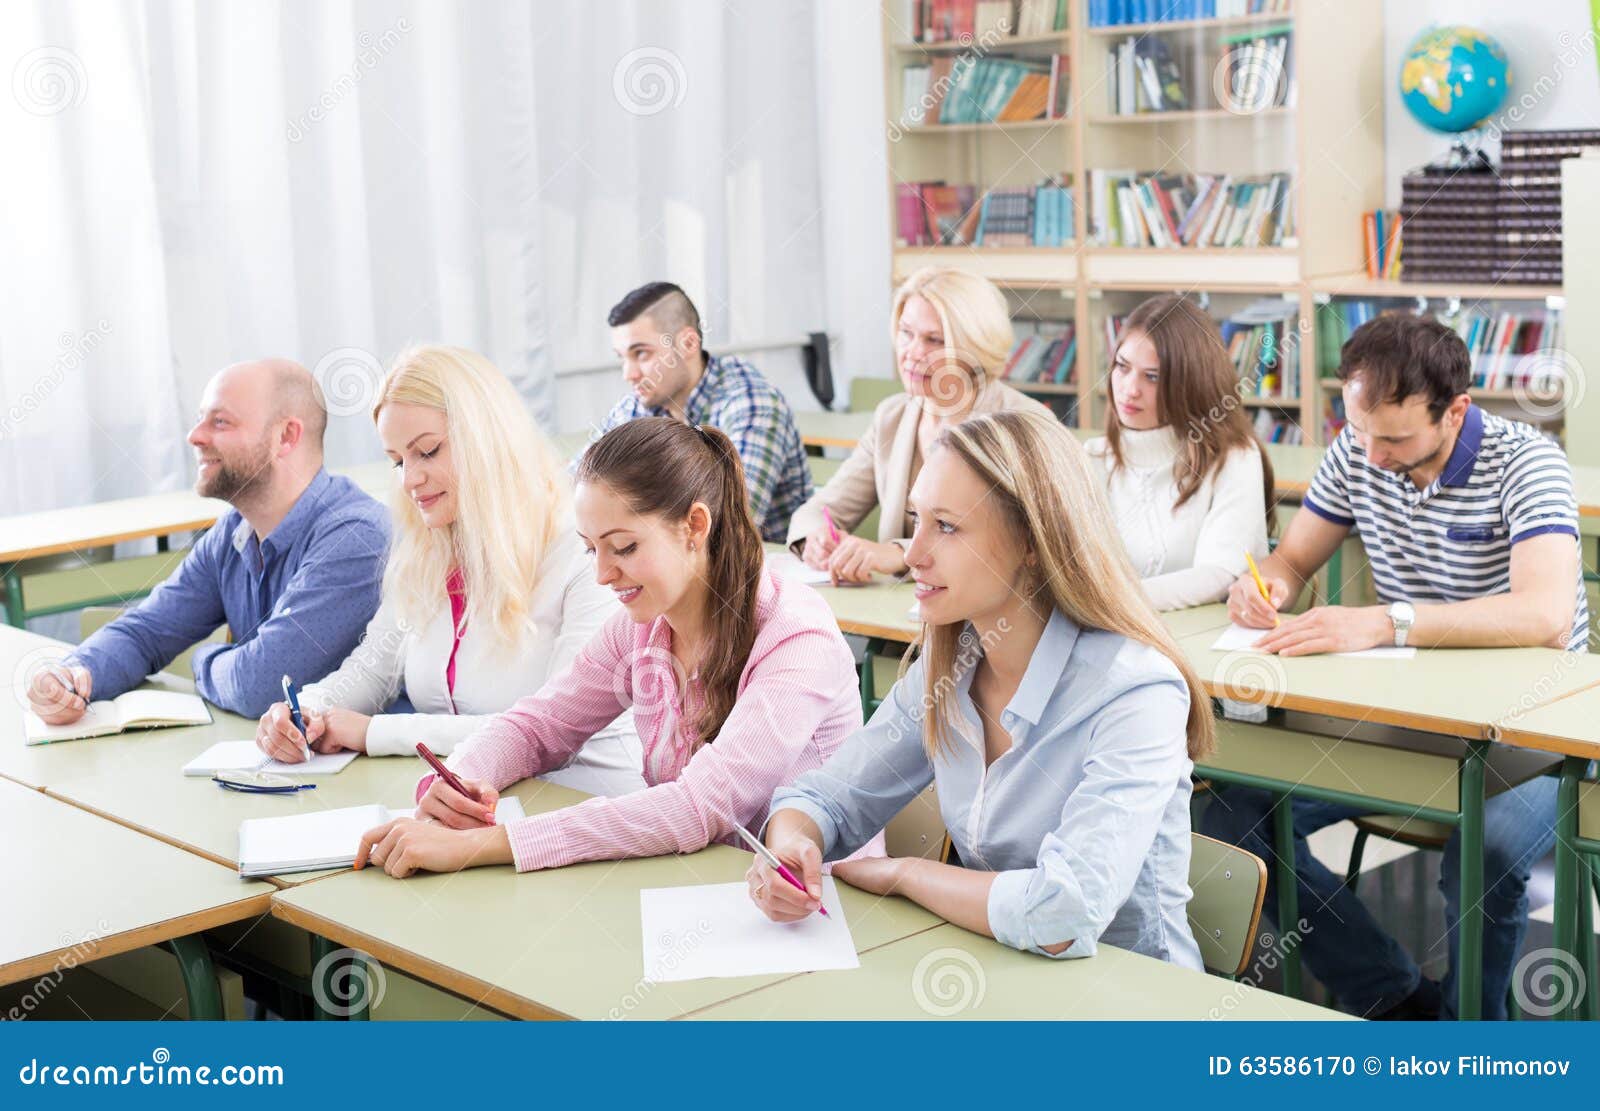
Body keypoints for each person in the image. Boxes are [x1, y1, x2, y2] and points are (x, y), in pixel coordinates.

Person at [1202, 312, 1589, 1020]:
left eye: (1396, 437)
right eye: (1361, 431)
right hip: (1410, 716)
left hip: (1533, 727)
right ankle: (1389, 991)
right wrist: (1266, 588)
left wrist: (1386, 621)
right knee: (1228, 808)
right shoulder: (1360, 450)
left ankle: (1467, 1038)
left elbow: (1545, 614)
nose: (1373, 454)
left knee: (1487, 853)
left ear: (1456, 410)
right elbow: (1289, 559)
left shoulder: (1527, 461)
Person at [749, 409, 1208, 967]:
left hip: (1142, 1009)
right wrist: (792, 845)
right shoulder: (948, 668)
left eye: (946, 526)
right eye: (915, 519)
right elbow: (824, 798)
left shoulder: (1137, 694)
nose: (913, 554)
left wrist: (908, 873)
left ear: (1033, 541)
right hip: (1000, 974)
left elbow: (1063, 915)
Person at [353, 417, 881, 877]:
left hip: (820, 910)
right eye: (590, 549)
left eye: (624, 547)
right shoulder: (642, 624)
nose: (603, 574)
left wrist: (481, 846)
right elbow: (539, 725)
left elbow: (697, 807)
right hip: (696, 890)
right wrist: (463, 778)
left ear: (695, 526)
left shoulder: (795, 636)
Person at [252, 345, 642, 797]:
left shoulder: (582, 546)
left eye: (428, 452)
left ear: (487, 440)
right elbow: (371, 671)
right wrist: (305, 712)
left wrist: (372, 734)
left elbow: (552, 729)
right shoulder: (430, 549)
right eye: (398, 460)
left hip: (585, 809)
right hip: (484, 804)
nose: (409, 479)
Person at [26, 359, 388, 722]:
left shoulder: (356, 537)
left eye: (220, 422)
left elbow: (260, 687)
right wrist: (74, 674)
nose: (194, 436)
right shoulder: (234, 531)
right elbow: (148, 631)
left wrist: (202, 658)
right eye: (201, 419)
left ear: (286, 437)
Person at [786, 265, 1050, 583]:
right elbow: (820, 509)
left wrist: (897, 553)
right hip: (908, 611)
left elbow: (1010, 542)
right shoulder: (892, 417)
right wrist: (814, 540)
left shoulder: (1022, 424)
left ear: (974, 347)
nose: (912, 352)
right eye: (906, 333)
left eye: (934, 340)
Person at [1085, 294, 1274, 610]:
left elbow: (1219, 575)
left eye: (1153, 377)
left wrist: (1106, 602)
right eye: (1122, 366)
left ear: (1191, 383)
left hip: (1199, 644)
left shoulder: (1235, 459)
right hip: (1107, 640)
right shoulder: (1088, 459)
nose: (1130, 389)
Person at [593, 281, 811, 543]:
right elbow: (578, 487)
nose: (628, 374)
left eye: (641, 353)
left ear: (688, 343)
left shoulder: (752, 403)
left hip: (762, 573)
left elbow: (728, 524)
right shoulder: (642, 403)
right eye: (622, 357)